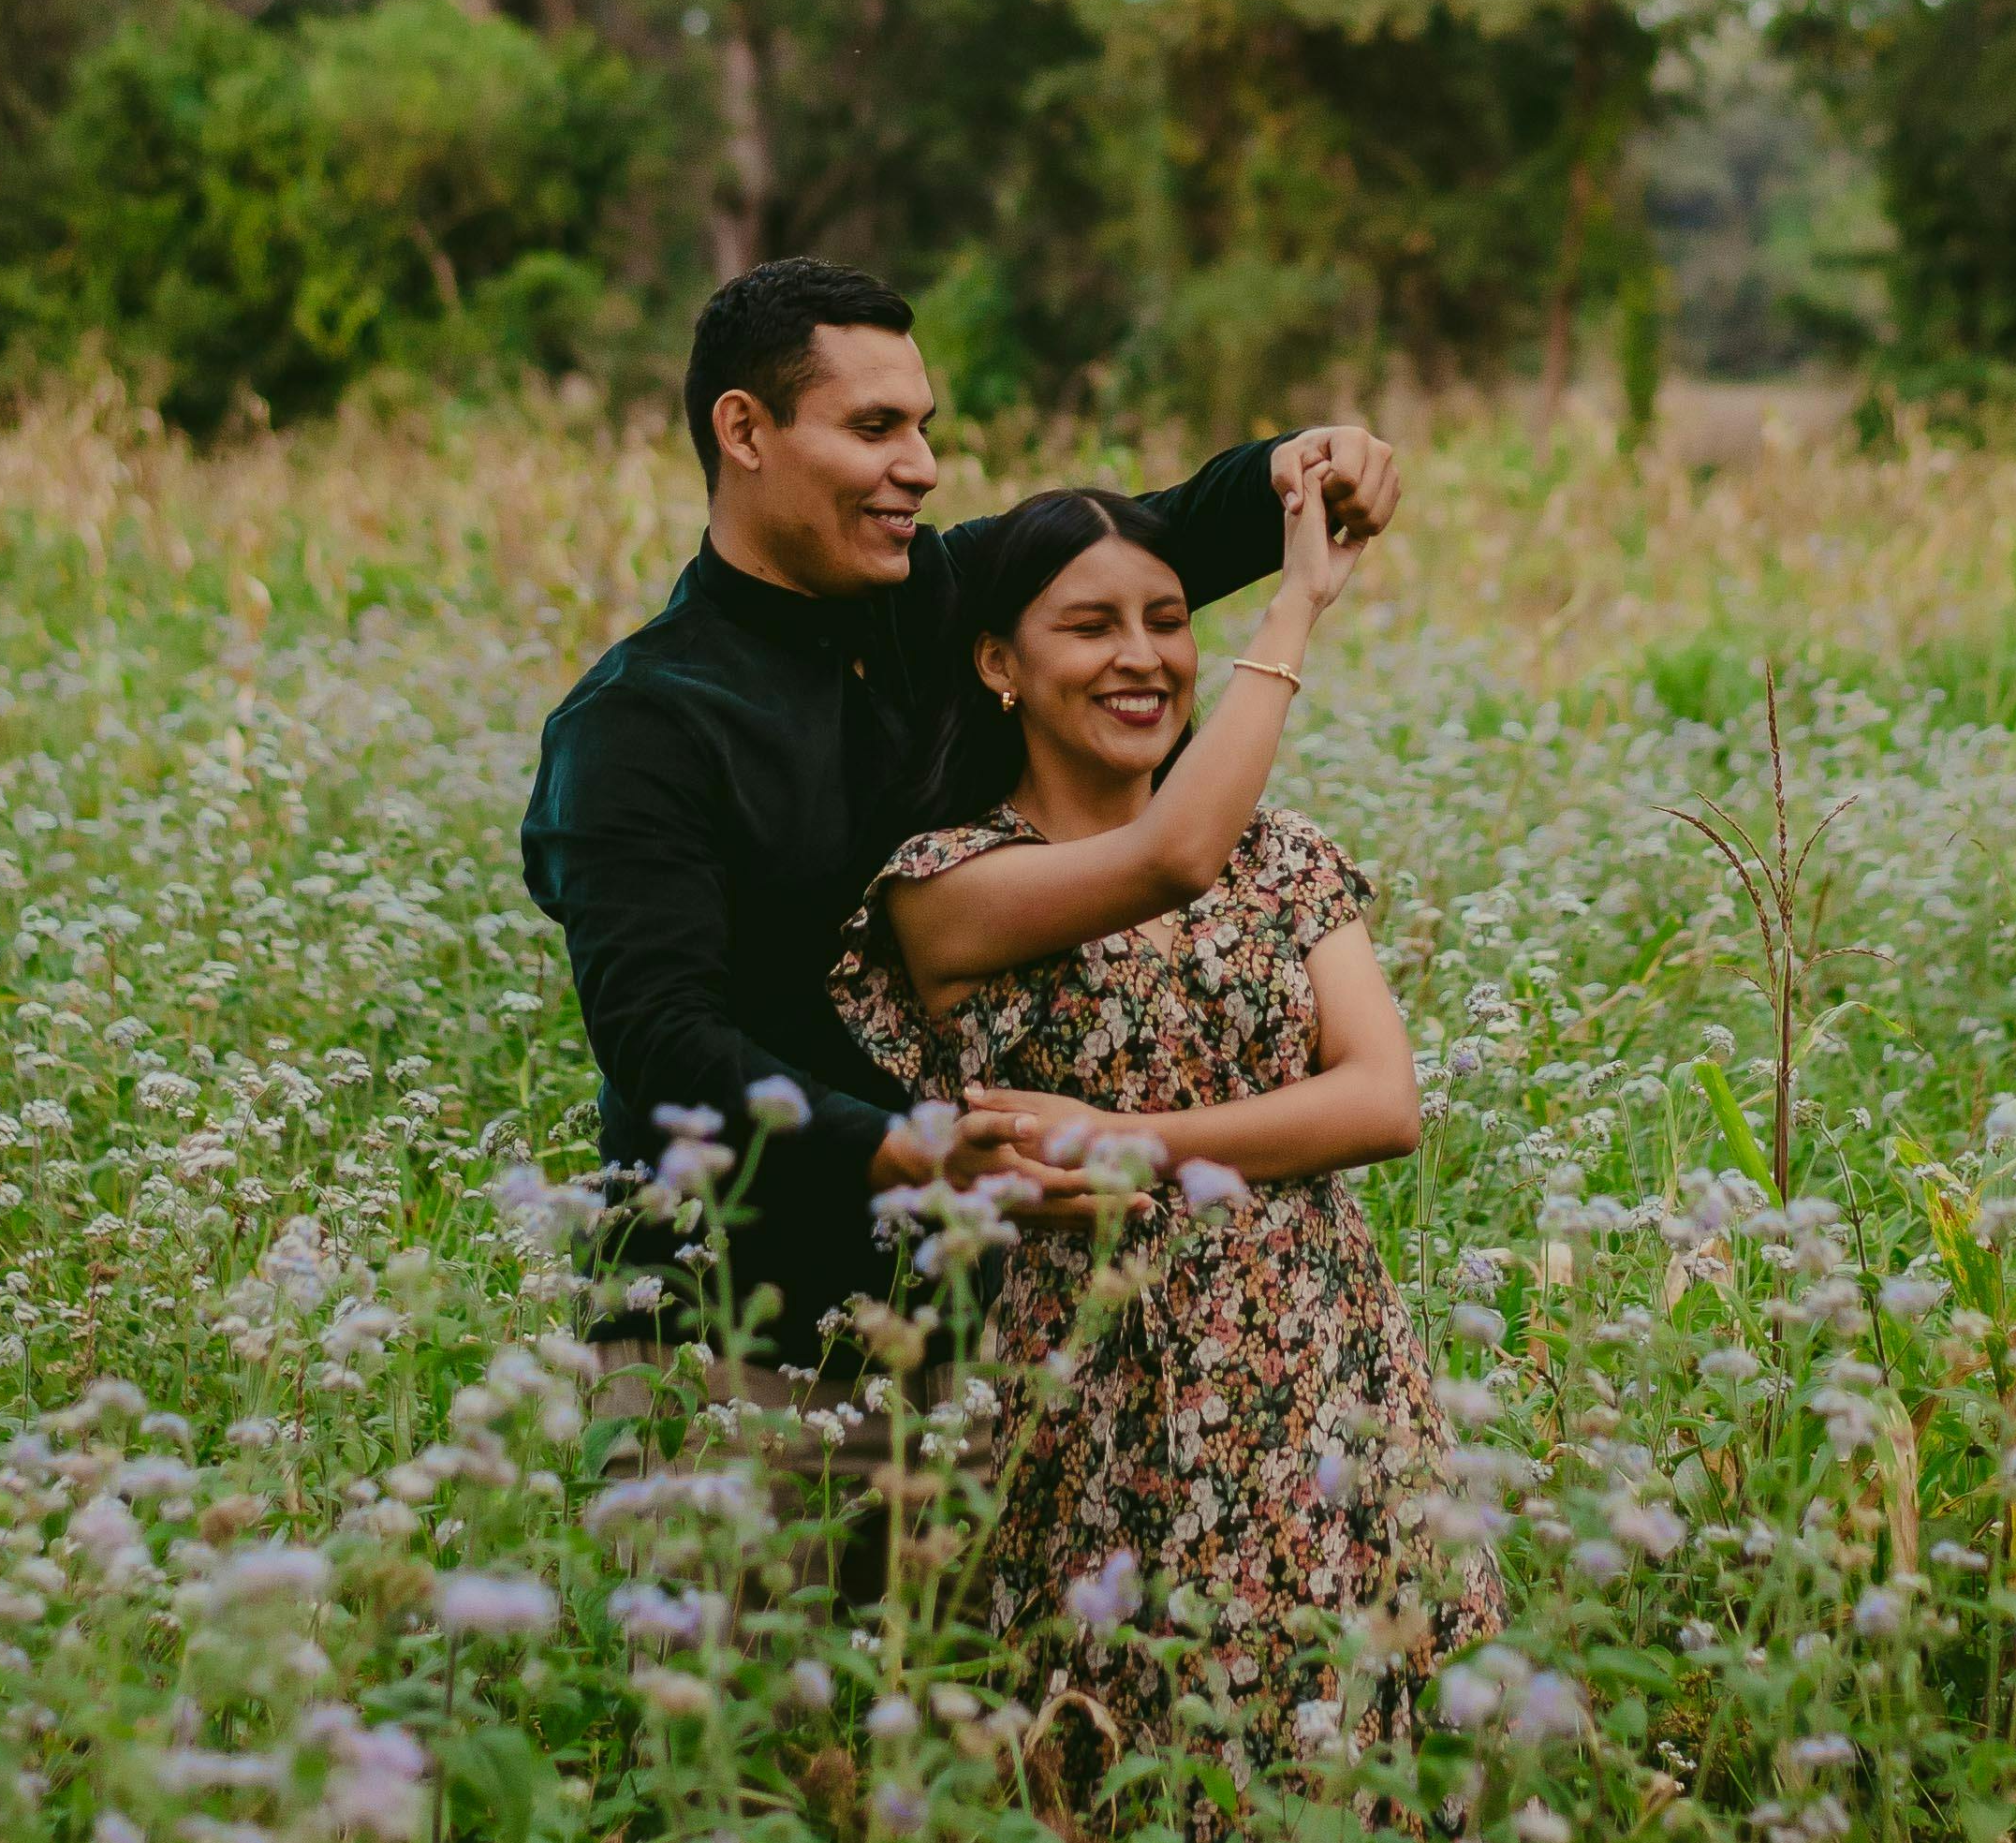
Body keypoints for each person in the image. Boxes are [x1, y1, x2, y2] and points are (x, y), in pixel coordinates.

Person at [519, 259, 1401, 1396]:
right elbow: (658, 1035)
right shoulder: (636, 722)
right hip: (728, 1339)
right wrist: (900, 1151)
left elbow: (1156, 537)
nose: (921, 466)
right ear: (743, 430)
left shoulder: (930, 596)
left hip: (970, 1338)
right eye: (873, 427)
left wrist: (1298, 462)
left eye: (922, 427)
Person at [831, 466, 1490, 1758]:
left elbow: (1380, 1101)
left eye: (1169, 620)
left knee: (1368, 1746)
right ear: (998, 665)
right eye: (1091, 626)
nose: (1142, 657)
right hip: (1103, 1393)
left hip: (1325, 1366)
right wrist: (1295, 607)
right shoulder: (948, 883)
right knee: (1127, 1755)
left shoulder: (1280, 855)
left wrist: (1128, 1143)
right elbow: (1168, 860)